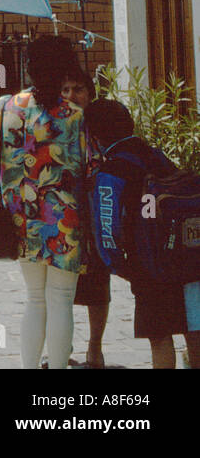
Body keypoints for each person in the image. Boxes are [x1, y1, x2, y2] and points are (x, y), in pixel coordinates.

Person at [0, 35, 88, 370]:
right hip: (63, 221)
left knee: (35, 298)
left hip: (20, 219)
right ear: (64, 69)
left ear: (29, 66)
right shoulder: (74, 116)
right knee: (61, 300)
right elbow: (89, 165)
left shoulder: (2, 108)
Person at [83, 98, 200, 370]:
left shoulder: (111, 170)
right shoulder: (156, 155)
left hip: (149, 266)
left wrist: (118, 265)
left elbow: (106, 227)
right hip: (189, 258)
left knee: (160, 337)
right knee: (194, 332)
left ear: (95, 135)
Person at [61, 68, 108, 368]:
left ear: (90, 93)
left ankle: (95, 348)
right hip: (62, 217)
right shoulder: (54, 125)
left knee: (97, 287)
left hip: (93, 214)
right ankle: (61, 346)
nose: (71, 96)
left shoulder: (102, 124)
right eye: (65, 90)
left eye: (78, 89)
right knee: (60, 288)